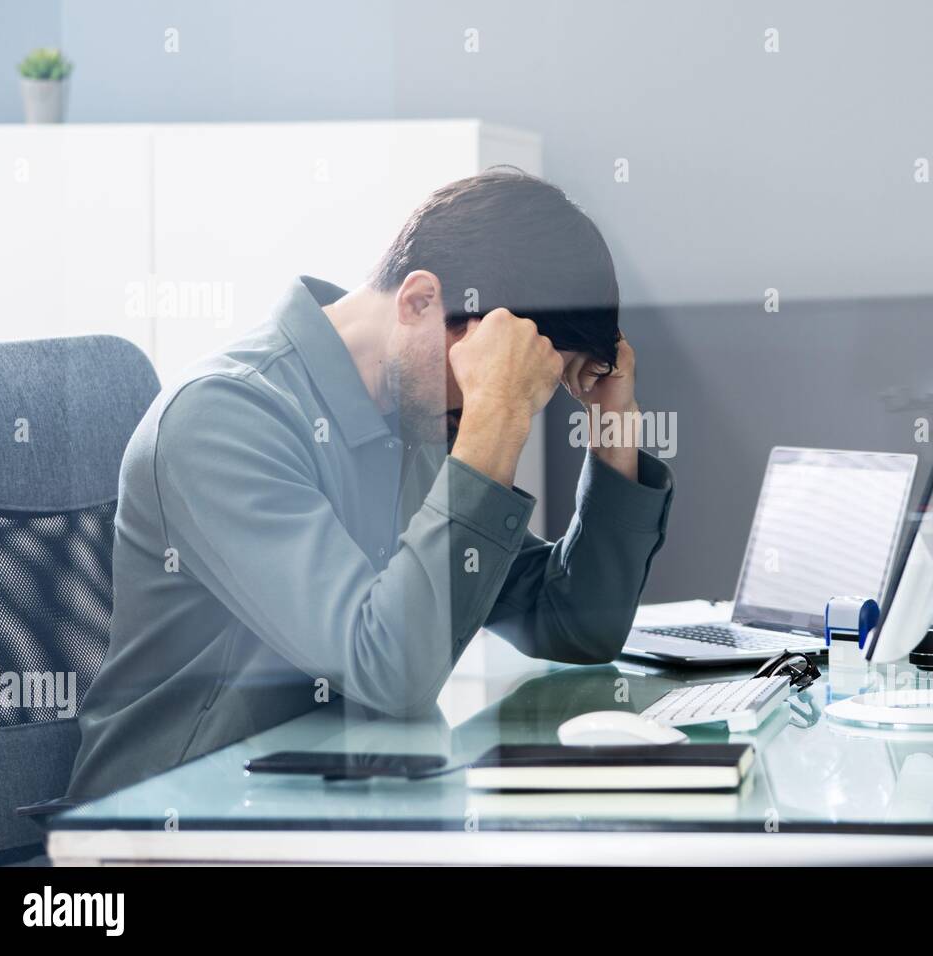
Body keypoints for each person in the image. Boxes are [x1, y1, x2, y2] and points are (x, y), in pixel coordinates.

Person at [69, 168, 672, 800]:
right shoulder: (220, 419)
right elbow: (389, 672)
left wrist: (613, 429)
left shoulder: (415, 420)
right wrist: (492, 423)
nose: (509, 402)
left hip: (343, 803)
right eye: (492, 372)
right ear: (418, 302)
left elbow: (575, 622)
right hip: (175, 823)